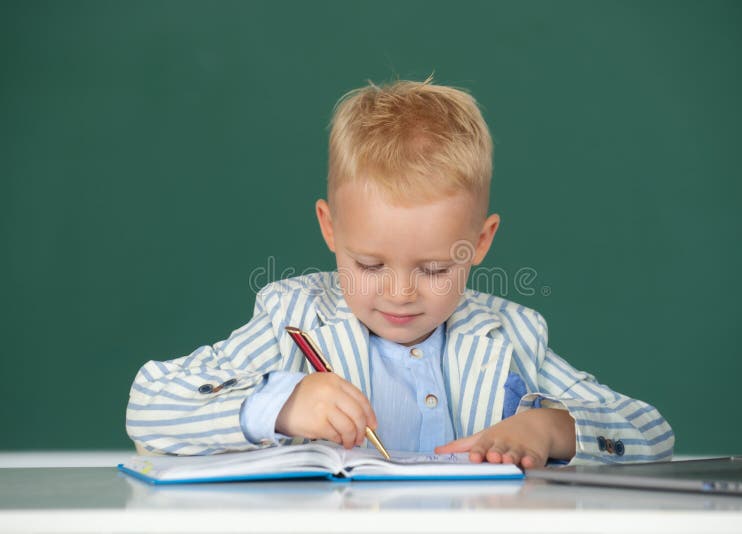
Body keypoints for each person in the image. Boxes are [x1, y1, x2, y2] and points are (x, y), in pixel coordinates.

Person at [126, 77, 674, 467]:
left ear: (480, 242)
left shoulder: (511, 335)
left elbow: (651, 432)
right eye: (370, 264)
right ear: (330, 228)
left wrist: (552, 429)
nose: (400, 292)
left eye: (435, 268)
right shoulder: (290, 320)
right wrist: (281, 404)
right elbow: (150, 406)